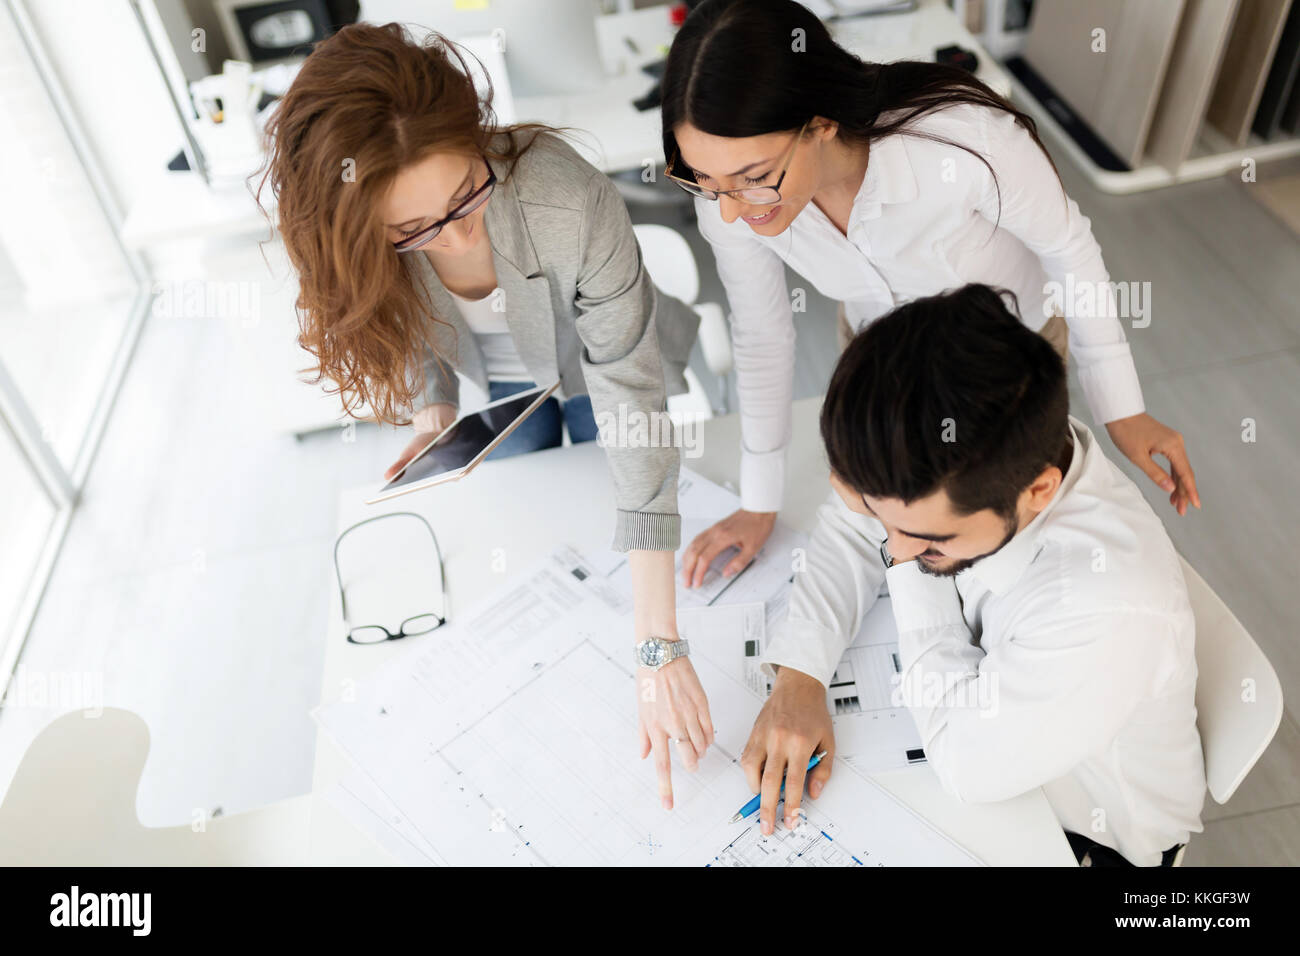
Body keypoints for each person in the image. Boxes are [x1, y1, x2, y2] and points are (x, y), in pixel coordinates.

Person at [260, 22, 714, 807]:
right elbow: (405, 323)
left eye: (466, 195)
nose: (459, 235)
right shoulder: (371, 241)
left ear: (475, 134)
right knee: (537, 547)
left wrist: (657, 644)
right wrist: (435, 411)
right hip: (501, 394)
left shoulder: (564, 196)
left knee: (625, 507)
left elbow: (631, 403)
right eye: (414, 232)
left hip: (600, 366)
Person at [658, 0, 1200, 590]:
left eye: (754, 178)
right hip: (880, 356)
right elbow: (762, 333)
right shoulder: (726, 200)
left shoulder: (964, 144)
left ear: (821, 124)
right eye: (703, 181)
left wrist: (1123, 409)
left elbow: (1068, 250)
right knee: (911, 532)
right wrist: (760, 502)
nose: (731, 212)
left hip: (1006, 356)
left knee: (996, 524)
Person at [743, 284, 1205, 867]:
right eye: (884, 514)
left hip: (1085, 833)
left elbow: (965, 764)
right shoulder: (968, 454)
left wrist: (897, 555)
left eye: (932, 541)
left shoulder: (1101, 605)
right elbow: (854, 524)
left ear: (1039, 491)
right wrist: (800, 677)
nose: (899, 546)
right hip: (988, 743)